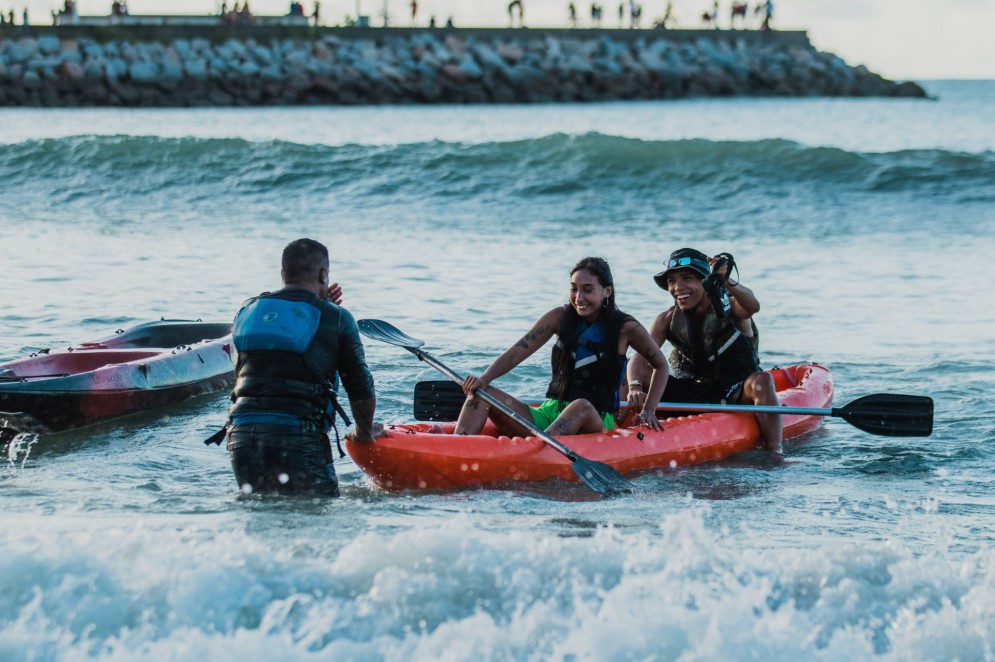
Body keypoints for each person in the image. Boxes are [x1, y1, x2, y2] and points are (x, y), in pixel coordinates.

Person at [219, 238, 382, 496]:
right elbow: (360, 387)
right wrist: (362, 433)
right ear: (323, 274)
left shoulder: (247, 310)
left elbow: (248, 369)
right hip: (299, 440)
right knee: (316, 526)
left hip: (242, 439)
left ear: (283, 273)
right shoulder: (336, 318)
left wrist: (321, 304)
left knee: (261, 522)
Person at [455, 257, 668, 438]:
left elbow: (661, 365)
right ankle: (456, 447)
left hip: (595, 422)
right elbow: (516, 353)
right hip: (549, 415)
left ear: (607, 291)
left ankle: (537, 454)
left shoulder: (626, 327)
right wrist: (484, 379)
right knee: (482, 393)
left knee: (581, 405)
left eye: (587, 290)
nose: (579, 298)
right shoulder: (559, 317)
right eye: (574, 289)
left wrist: (649, 409)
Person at [626, 248, 784, 458]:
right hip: (693, 394)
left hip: (736, 392)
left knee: (762, 380)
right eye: (671, 281)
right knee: (628, 371)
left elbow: (752, 306)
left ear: (705, 281)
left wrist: (727, 281)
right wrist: (635, 386)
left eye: (687, 278)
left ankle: (775, 451)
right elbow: (638, 357)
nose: (677, 287)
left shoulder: (730, 306)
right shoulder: (666, 319)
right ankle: (620, 436)